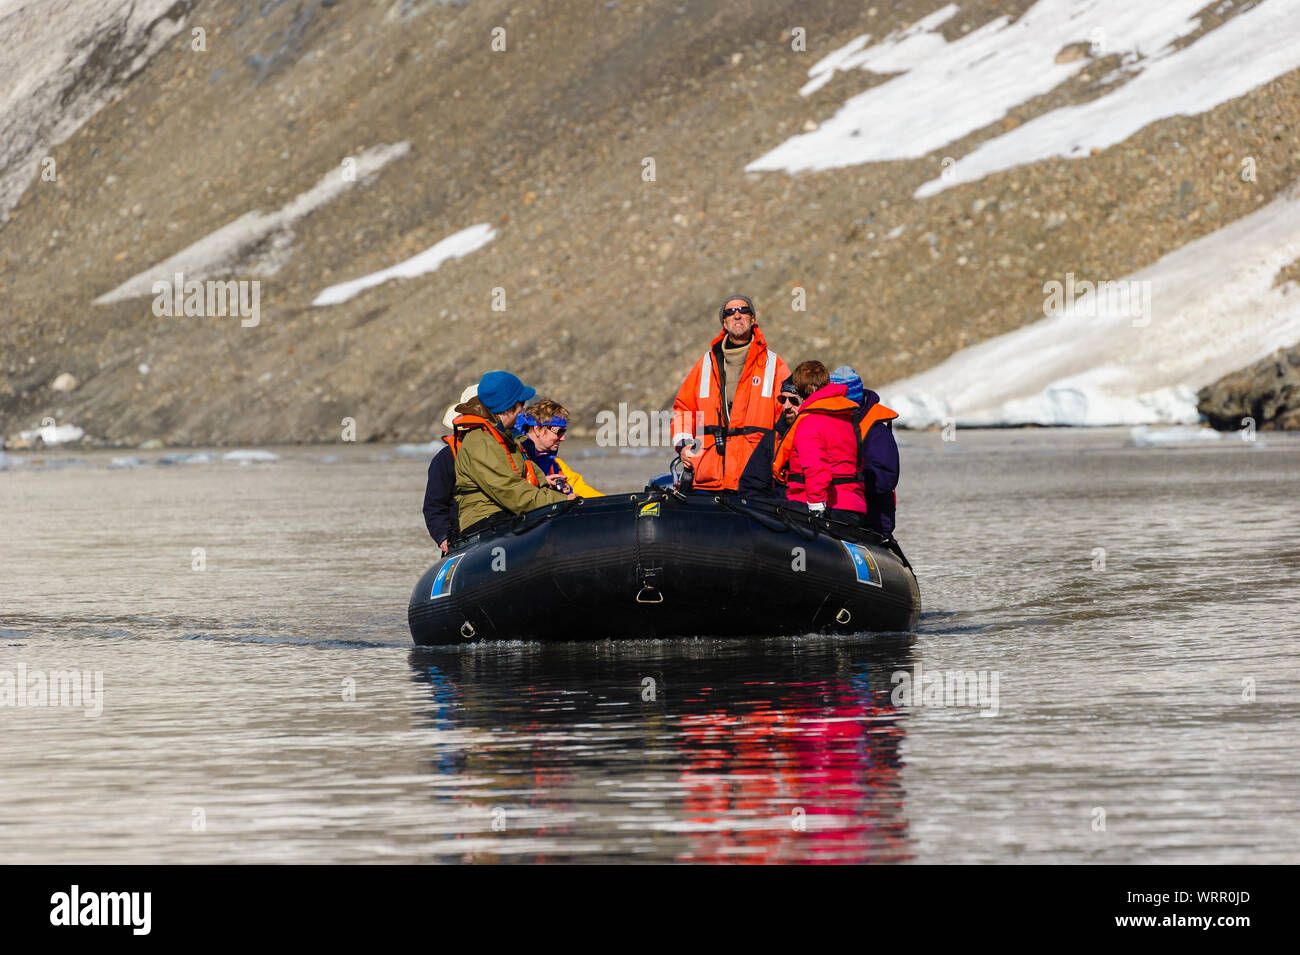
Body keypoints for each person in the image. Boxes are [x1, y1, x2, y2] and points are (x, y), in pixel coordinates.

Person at [671, 294, 790, 492]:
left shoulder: (774, 365)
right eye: (730, 312)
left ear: (753, 320)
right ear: (724, 323)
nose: (737, 315)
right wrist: (683, 445)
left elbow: (789, 416)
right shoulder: (706, 364)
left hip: (755, 477)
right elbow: (683, 409)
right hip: (708, 478)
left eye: (744, 310)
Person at [450, 371, 573, 538]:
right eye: (521, 403)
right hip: (485, 522)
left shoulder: (507, 436)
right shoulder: (481, 442)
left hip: (506, 514)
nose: (523, 409)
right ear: (508, 407)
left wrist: (551, 488)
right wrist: (561, 501)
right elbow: (510, 491)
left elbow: (522, 479)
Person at [772, 360, 866, 524]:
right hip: (853, 506)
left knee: (764, 510)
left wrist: (816, 506)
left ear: (800, 390)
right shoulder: (847, 416)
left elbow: (815, 466)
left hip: (824, 506)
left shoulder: (810, 420)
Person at [829, 365, 900, 536]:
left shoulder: (877, 432)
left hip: (872, 519)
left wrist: (849, 481)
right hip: (838, 512)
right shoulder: (833, 424)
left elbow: (886, 478)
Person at [423, 384, 476, 554]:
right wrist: (443, 538)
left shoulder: (507, 448)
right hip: (461, 539)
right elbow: (434, 505)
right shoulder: (445, 458)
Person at [515, 397, 603, 498]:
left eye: (564, 431)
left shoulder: (552, 460)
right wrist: (541, 483)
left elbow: (576, 484)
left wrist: (606, 503)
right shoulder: (514, 452)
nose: (563, 438)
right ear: (537, 429)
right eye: (559, 432)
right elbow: (511, 490)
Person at [737, 375, 801, 499]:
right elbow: (751, 485)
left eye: (793, 400)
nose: (786, 406)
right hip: (778, 511)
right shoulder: (773, 437)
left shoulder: (821, 433)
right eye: (783, 399)